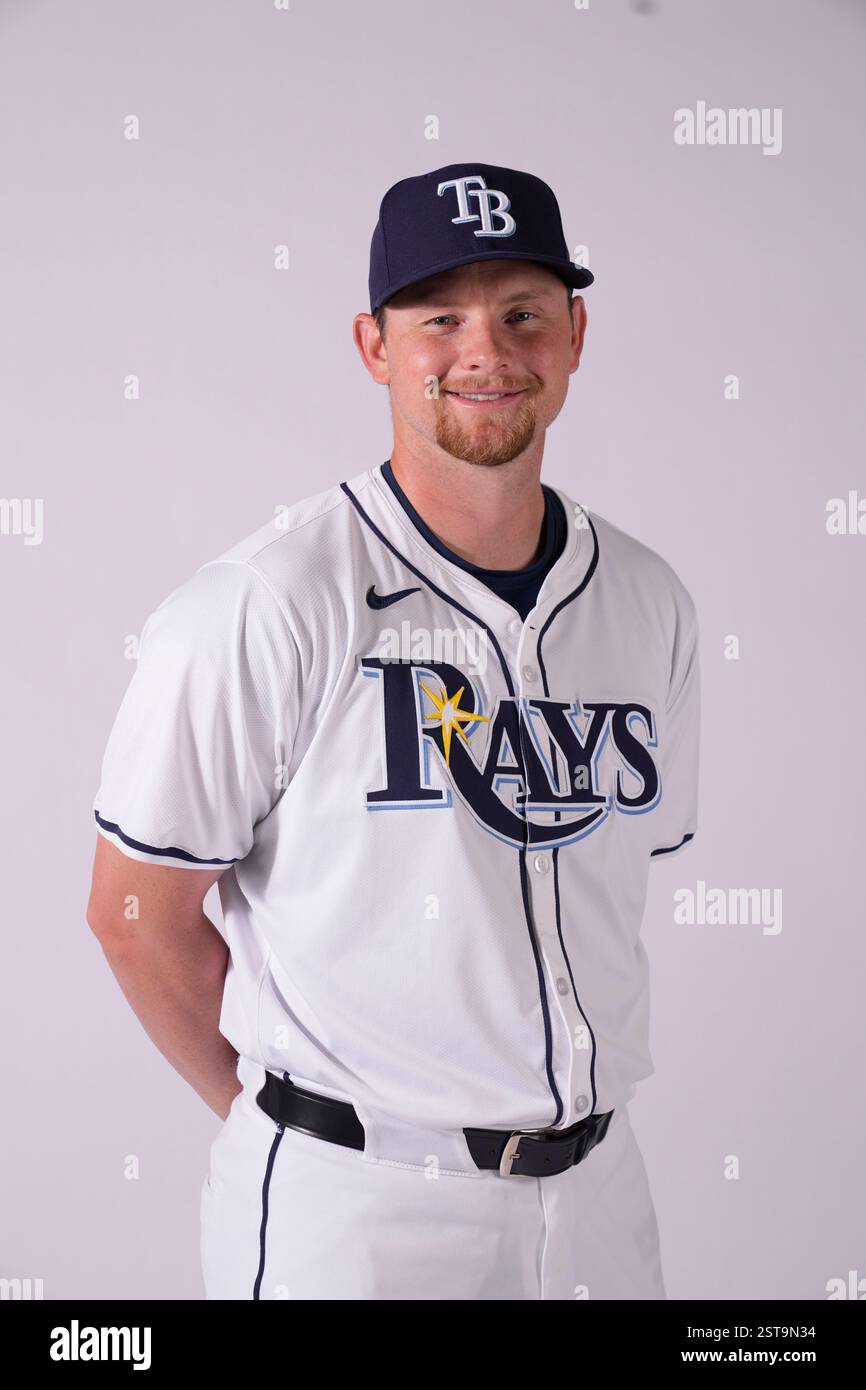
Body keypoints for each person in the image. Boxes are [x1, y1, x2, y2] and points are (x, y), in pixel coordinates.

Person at [86, 161, 700, 1300]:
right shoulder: (266, 602)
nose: (487, 351)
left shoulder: (646, 597)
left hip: (601, 1197)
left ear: (574, 334)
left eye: (523, 313)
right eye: (439, 319)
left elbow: (604, 880)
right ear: (375, 347)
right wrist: (294, 1128)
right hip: (356, 1215)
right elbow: (132, 917)